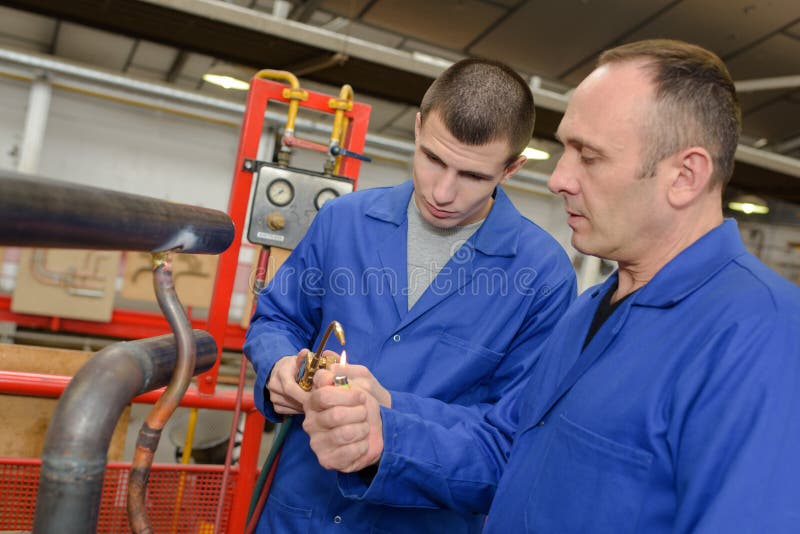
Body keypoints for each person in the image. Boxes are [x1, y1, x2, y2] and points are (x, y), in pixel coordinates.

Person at [243, 58, 577, 533]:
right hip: (300, 511)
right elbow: (276, 317)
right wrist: (279, 366)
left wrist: (392, 423)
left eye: (473, 176)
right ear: (418, 129)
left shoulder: (543, 278)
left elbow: (514, 445)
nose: (442, 191)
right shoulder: (345, 222)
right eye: (433, 158)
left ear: (512, 168)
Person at [481, 39, 800, 533]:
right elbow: (510, 447)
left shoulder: (764, 337)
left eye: (588, 156)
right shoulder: (590, 309)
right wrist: (383, 431)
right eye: (565, 148)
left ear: (684, 177)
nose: (558, 179)